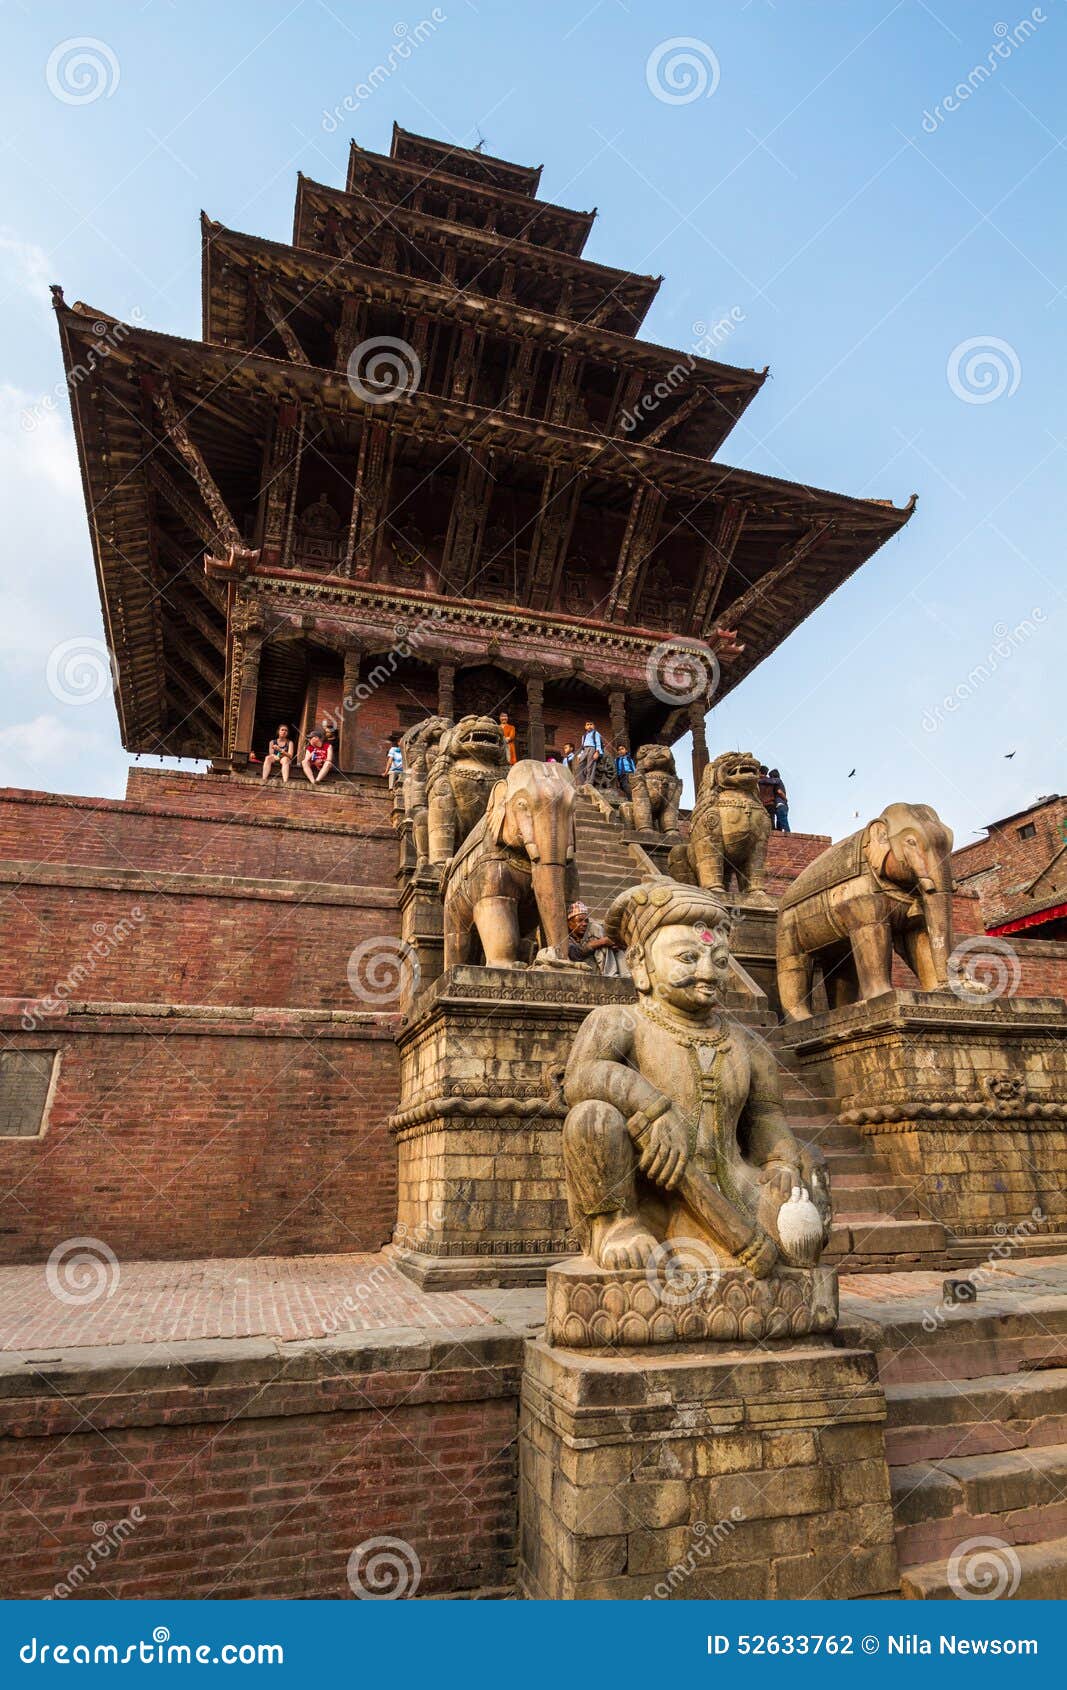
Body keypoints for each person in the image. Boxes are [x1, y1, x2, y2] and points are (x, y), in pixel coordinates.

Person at [566, 901, 626, 978]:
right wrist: (602, 942)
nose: (584, 924)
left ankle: (616, 974)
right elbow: (575, 954)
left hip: (599, 972)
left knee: (597, 929)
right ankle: (611, 973)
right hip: (581, 975)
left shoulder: (592, 930)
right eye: (580, 920)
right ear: (570, 924)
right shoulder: (567, 938)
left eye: (586, 921)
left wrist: (613, 944)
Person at [575, 721, 604, 785]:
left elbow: (598, 743)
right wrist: (580, 755)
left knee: (590, 766)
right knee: (580, 766)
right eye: (587, 725)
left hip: (592, 748)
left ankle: (589, 782)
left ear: (594, 726)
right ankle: (581, 782)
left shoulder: (595, 733)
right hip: (585, 749)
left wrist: (597, 752)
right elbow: (582, 747)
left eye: (591, 724)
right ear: (585, 727)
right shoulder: (584, 736)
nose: (589, 726)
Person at [769, 768, 790, 832]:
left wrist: (785, 798)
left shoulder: (777, 781)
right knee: (780, 823)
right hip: (783, 805)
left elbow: (779, 792)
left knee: (783, 822)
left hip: (780, 804)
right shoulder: (780, 782)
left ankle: (788, 835)